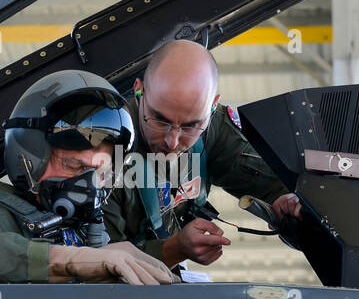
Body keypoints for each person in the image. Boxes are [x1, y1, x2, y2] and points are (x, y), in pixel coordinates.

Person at [0, 70, 174, 285]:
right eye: (73, 165)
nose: (89, 184)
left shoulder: (85, 227)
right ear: (29, 158)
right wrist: (66, 261)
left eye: (100, 172)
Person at [103, 39, 301, 267]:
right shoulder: (103, 154)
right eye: (160, 119)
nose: (172, 140)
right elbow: (95, 265)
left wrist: (285, 201)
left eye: (190, 126)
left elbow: (277, 187)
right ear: (139, 91)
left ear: (213, 107)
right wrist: (171, 251)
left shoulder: (213, 129)